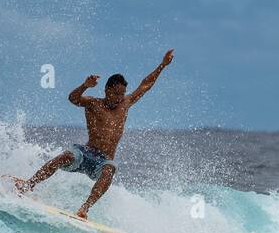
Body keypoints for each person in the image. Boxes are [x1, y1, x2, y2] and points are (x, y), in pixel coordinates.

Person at [13, 50, 174, 218]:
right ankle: (28, 185)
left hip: (103, 160)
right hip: (86, 153)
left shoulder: (125, 104)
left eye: (122, 94)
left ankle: (84, 208)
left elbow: (145, 85)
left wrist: (162, 65)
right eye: (117, 93)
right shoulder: (93, 103)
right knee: (64, 157)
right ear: (107, 90)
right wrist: (84, 86)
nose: (120, 97)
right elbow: (73, 99)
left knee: (110, 170)